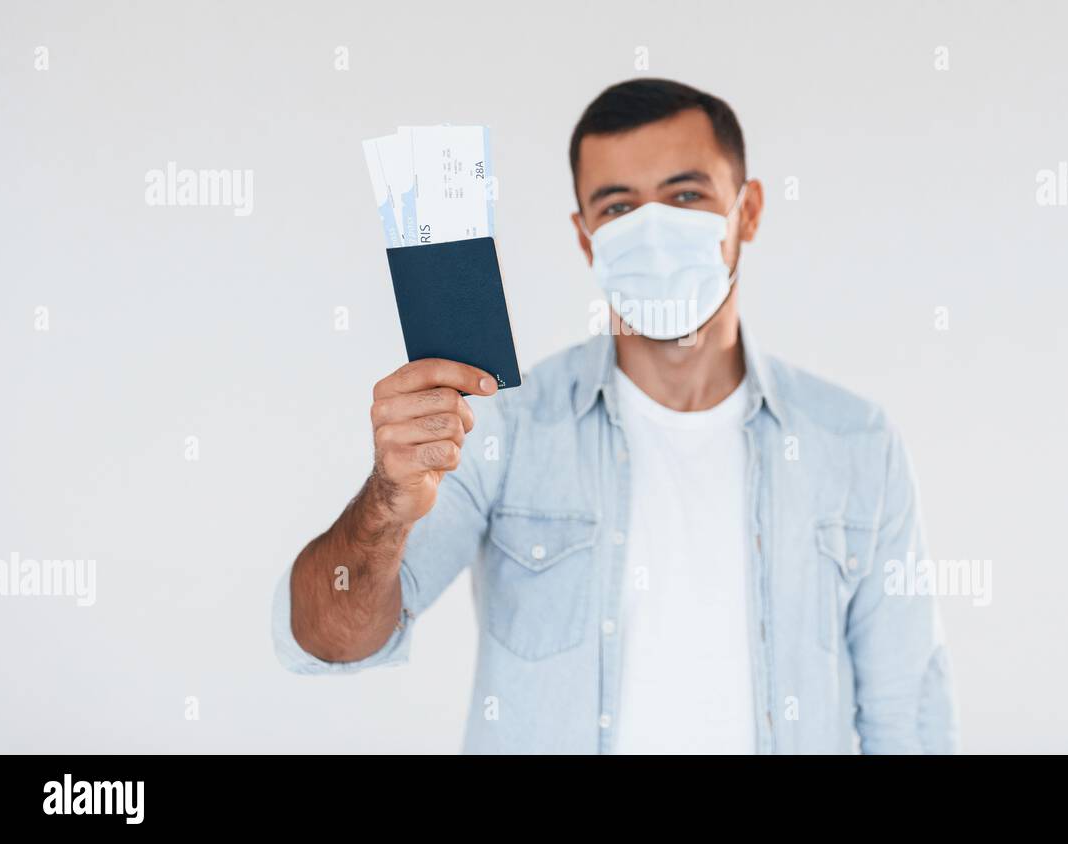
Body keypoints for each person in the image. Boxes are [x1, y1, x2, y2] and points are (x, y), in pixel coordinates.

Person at [273, 78, 961, 754]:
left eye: (687, 196)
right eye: (619, 207)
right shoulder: (501, 426)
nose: (653, 232)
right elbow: (329, 639)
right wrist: (388, 505)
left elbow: (908, 718)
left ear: (747, 210)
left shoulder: (854, 442)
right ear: (585, 236)